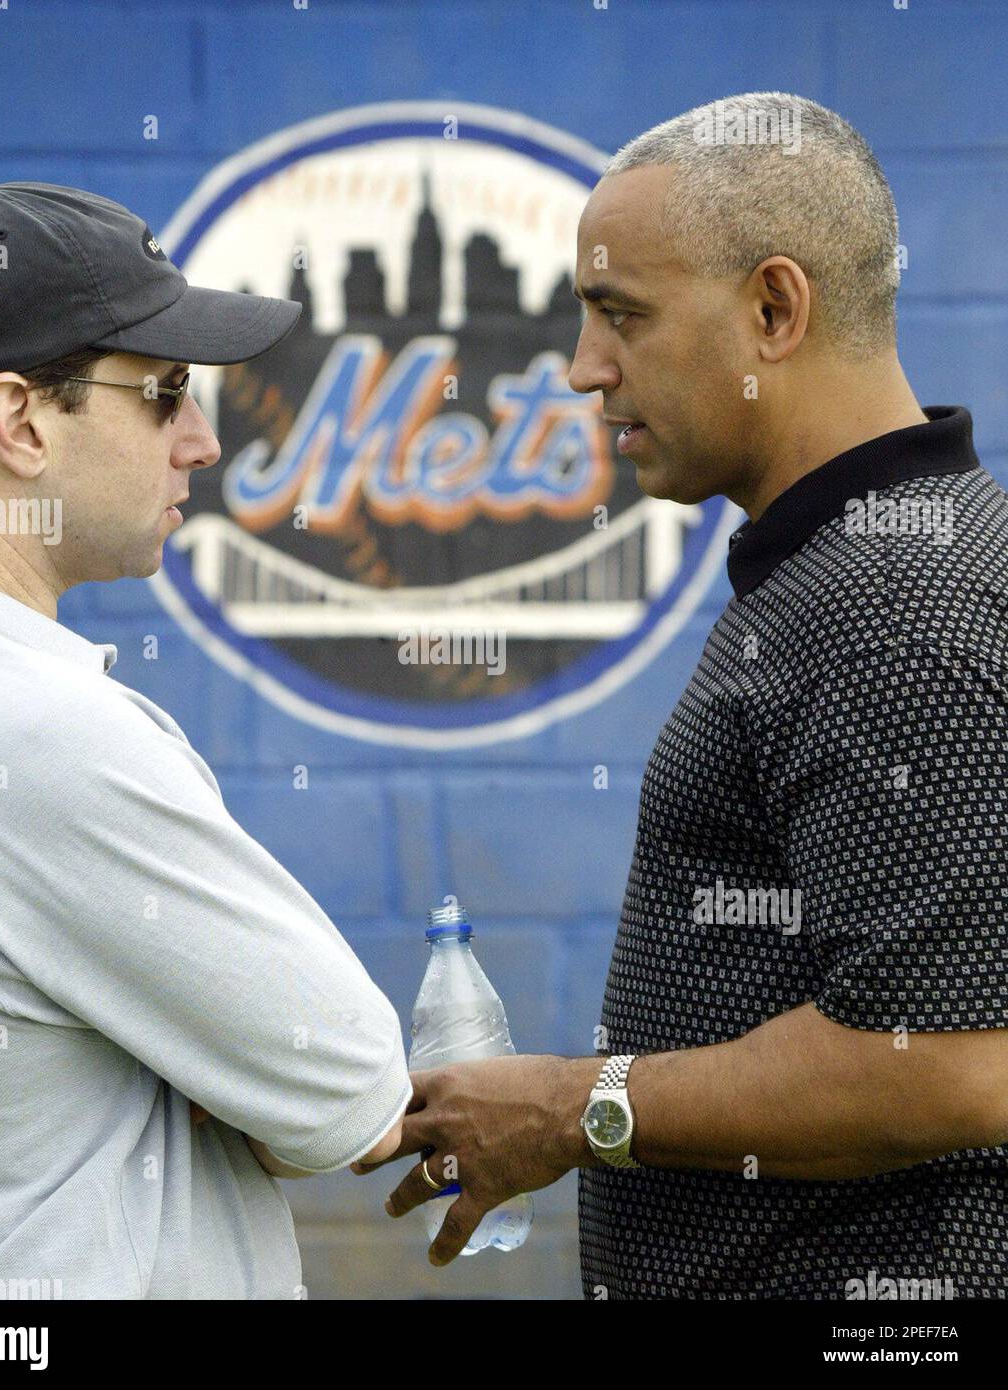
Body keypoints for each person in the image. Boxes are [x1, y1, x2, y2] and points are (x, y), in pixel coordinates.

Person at [353, 93, 1008, 1299]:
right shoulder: (858, 564)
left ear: (774, 308)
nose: (582, 369)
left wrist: (576, 1105)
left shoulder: (892, 596)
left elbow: (954, 1064)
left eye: (621, 316)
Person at [0, 181, 409, 1300]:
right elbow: (346, 1091)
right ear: (20, 422)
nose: (202, 440)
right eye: (164, 393)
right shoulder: (38, 729)